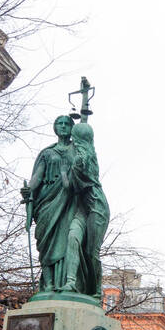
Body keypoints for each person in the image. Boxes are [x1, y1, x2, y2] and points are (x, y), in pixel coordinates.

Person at [22, 116, 75, 293]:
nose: (63, 126)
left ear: (72, 128)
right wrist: (29, 189)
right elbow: (38, 175)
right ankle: (49, 284)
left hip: (68, 200)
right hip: (46, 199)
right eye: (59, 124)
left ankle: (64, 282)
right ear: (55, 128)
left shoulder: (77, 149)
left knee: (66, 240)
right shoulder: (47, 152)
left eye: (67, 124)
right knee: (45, 242)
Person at [59, 118, 110, 297]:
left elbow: (69, 186)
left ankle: (96, 291)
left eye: (74, 137)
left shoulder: (84, 158)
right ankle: (71, 282)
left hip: (96, 207)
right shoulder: (84, 154)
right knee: (73, 238)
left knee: (91, 252)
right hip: (82, 208)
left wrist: (64, 171)